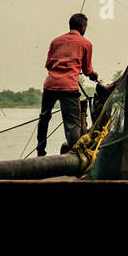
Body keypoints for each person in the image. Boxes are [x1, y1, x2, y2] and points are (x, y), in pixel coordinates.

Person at [38, 13, 98, 156]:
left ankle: (40, 151)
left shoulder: (56, 41)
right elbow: (87, 69)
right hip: (69, 87)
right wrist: (93, 75)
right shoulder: (86, 43)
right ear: (83, 27)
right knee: (72, 123)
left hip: (50, 85)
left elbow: (48, 65)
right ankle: (75, 155)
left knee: (44, 118)